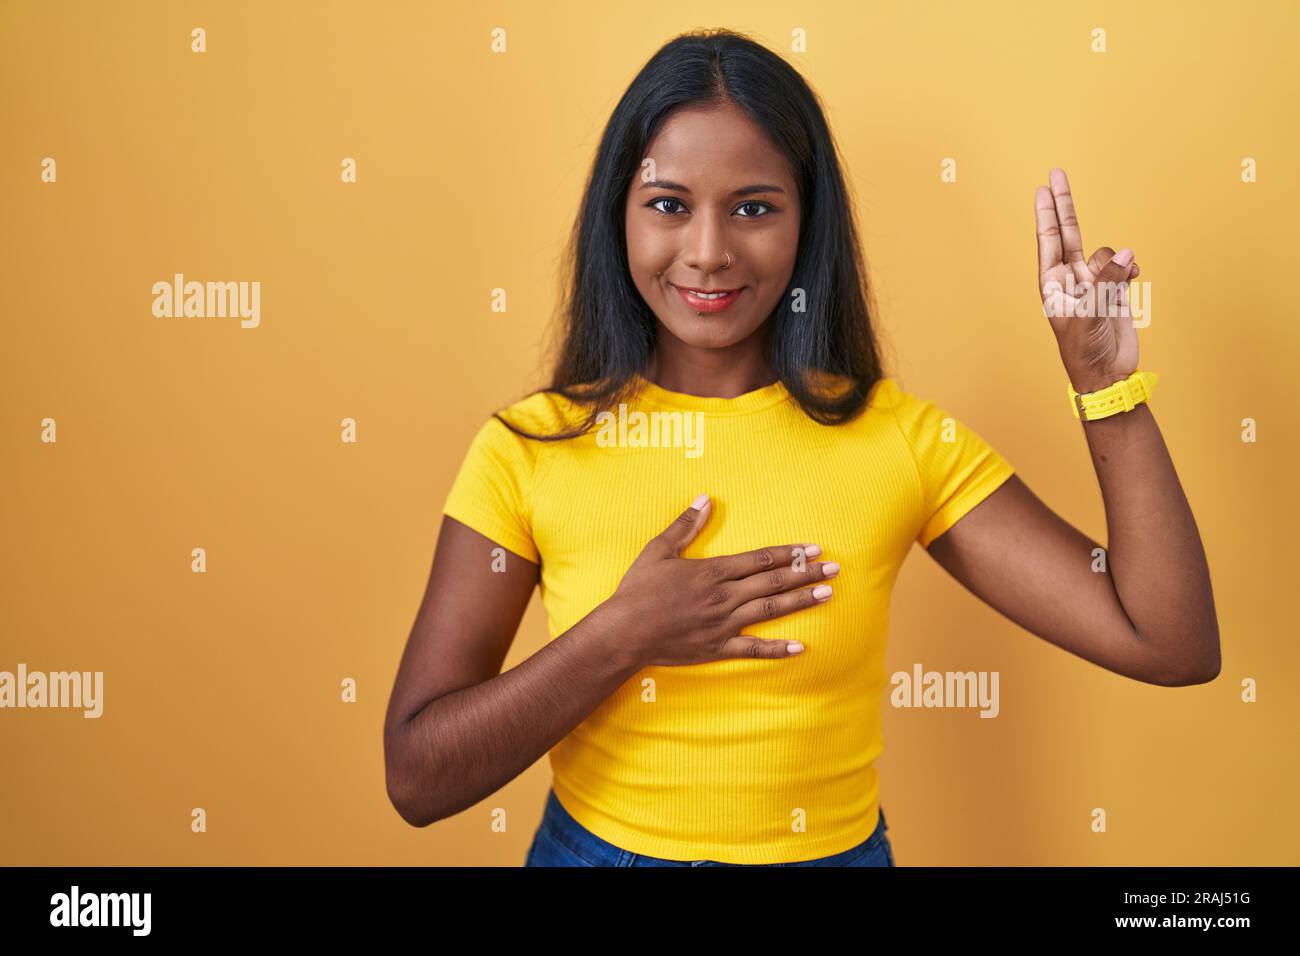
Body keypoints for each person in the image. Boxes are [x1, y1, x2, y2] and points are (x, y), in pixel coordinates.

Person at [382, 29, 1220, 867]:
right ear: (619, 216)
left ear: (806, 222)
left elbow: (1166, 642)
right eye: (668, 204)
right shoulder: (526, 449)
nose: (708, 252)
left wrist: (1103, 384)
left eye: (754, 207)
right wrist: (620, 635)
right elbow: (418, 777)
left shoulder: (900, 440)